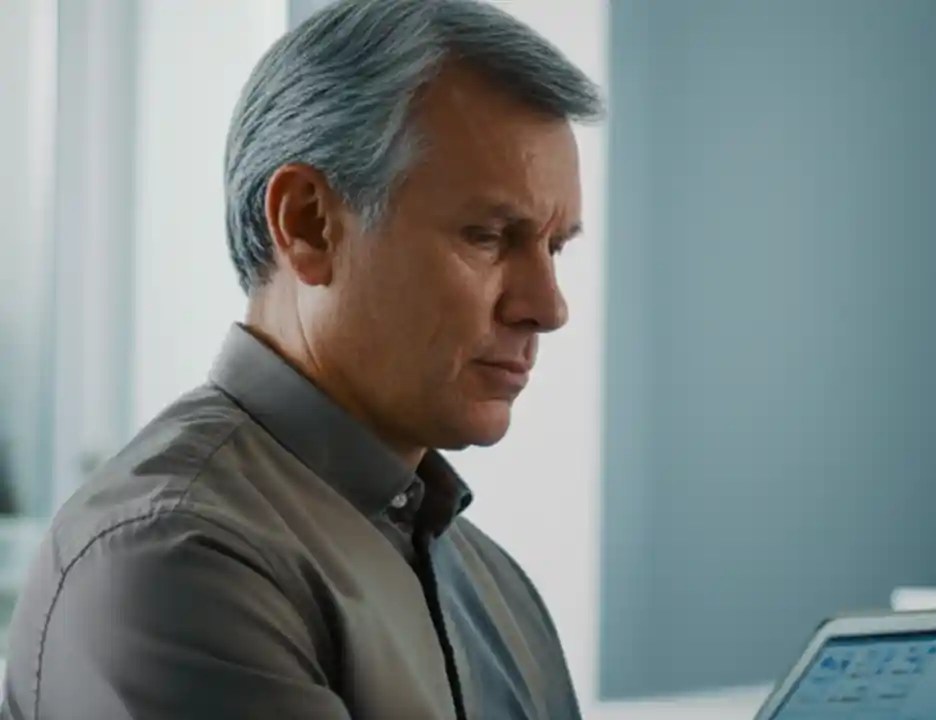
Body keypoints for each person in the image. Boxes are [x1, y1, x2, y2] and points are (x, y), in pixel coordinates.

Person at [0, 1, 602, 718]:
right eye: (488, 236)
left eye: (555, 246)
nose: (548, 306)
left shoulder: (498, 589)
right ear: (308, 224)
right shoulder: (174, 557)